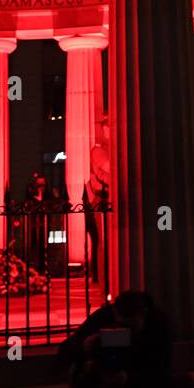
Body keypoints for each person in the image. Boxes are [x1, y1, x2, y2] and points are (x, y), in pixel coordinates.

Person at [57, 290, 175, 388]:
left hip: (140, 376)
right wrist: (85, 346)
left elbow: (161, 369)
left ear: (143, 314)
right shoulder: (103, 317)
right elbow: (65, 350)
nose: (127, 332)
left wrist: (129, 379)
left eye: (132, 327)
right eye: (122, 326)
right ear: (115, 314)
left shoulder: (158, 325)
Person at [85, 116, 112, 283]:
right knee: (104, 241)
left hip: (112, 200)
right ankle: (103, 278)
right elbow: (110, 167)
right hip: (103, 201)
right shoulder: (99, 150)